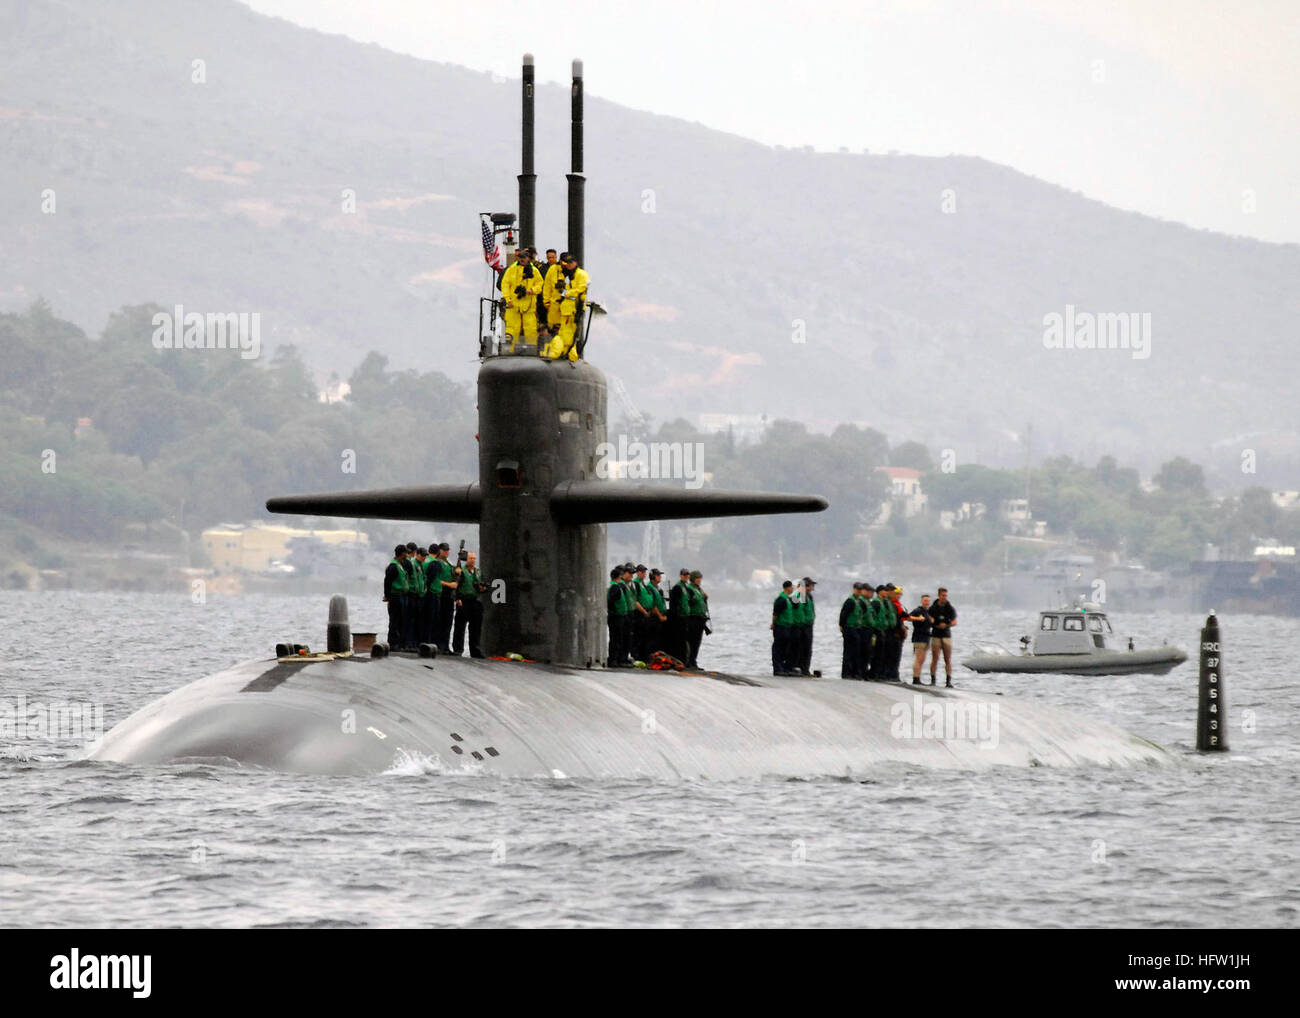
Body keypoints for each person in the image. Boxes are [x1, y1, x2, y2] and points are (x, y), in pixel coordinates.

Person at [546, 252, 589, 362]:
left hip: (574, 311)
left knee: (569, 337)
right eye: (567, 263)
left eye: (571, 262)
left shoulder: (582, 275)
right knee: (564, 336)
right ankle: (565, 355)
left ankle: (563, 355)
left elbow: (580, 290)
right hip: (565, 310)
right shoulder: (568, 276)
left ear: (576, 263)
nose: (569, 265)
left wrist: (566, 293)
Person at [499, 247, 543, 351]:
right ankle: (511, 351)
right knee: (512, 329)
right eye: (521, 258)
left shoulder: (535, 271)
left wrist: (531, 290)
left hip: (528, 307)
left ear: (528, 258)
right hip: (514, 305)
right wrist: (508, 299)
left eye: (524, 258)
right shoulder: (511, 270)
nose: (522, 260)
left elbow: (540, 285)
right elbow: (505, 284)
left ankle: (531, 350)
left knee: (530, 330)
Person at [452, 552, 485, 658]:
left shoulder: (478, 572)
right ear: (466, 559)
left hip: (475, 601)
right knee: (460, 627)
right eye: (471, 558)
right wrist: (457, 598)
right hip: (463, 601)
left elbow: (483, 586)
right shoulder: (460, 571)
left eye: (474, 558)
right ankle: (458, 649)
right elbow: (455, 585)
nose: (473, 560)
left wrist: (482, 589)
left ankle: (475, 650)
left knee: (476, 628)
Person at [929, 587, 958, 686]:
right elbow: (930, 619)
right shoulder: (933, 608)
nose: (944, 597)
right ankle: (933, 680)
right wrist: (935, 624)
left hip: (946, 635)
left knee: (948, 659)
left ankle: (948, 681)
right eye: (943, 595)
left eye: (946, 596)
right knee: (935, 658)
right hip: (936, 634)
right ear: (938, 595)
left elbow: (954, 622)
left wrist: (946, 625)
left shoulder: (950, 608)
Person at [434, 543, 461, 652]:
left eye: (448, 550)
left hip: (449, 596)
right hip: (442, 595)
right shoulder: (437, 563)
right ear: (439, 551)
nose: (446, 552)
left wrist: (457, 571)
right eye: (444, 550)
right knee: (440, 621)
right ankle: (438, 645)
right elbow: (436, 580)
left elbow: (454, 575)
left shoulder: (448, 564)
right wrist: (450, 585)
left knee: (448, 622)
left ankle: (445, 645)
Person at [868, 584, 895, 679]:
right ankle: (873, 673)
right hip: (876, 631)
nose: (887, 592)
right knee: (875, 653)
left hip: (882, 630)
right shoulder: (876, 603)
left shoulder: (884, 602)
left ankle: (878, 673)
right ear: (880, 592)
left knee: (881, 654)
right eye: (885, 590)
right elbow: (871, 616)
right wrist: (875, 626)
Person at [905, 594, 934, 684]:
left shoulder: (928, 612)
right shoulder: (918, 610)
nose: (927, 602)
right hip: (919, 636)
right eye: (925, 601)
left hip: (927, 637)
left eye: (928, 601)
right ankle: (915, 678)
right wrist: (918, 618)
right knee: (918, 658)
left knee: (922, 659)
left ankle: (918, 677)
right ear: (922, 601)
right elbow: (908, 617)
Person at [631, 564, 655, 662]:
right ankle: (636, 656)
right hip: (640, 613)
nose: (644, 573)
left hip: (646, 613)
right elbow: (635, 600)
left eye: (645, 572)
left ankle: (643, 656)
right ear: (637, 572)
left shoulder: (643, 584)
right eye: (642, 572)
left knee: (644, 636)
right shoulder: (636, 583)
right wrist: (644, 611)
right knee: (637, 636)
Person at [684, 569, 708, 669]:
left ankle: (694, 661)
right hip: (693, 618)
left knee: (697, 642)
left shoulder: (699, 589)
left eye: (700, 578)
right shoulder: (689, 588)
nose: (699, 580)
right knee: (692, 641)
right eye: (697, 578)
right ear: (693, 579)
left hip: (701, 618)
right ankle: (689, 661)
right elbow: (688, 602)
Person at [772, 580, 796, 676]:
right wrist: (773, 623)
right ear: (787, 588)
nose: (792, 589)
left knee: (785, 648)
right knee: (778, 648)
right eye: (791, 587)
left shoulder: (787, 599)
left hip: (787, 627)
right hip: (781, 627)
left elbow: (797, 603)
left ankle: (783, 668)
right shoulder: (781, 599)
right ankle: (778, 669)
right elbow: (776, 613)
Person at [667, 567, 691, 663]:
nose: (686, 576)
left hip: (685, 616)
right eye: (684, 575)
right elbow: (673, 604)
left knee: (684, 640)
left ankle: (685, 659)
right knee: (679, 640)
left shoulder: (686, 587)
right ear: (681, 576)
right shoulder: (678, 587)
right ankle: (680, 659)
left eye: (687, 575)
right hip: (679, 617)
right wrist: (676, 616)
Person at [838, 582, 859, 679]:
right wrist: (842, 625)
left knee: (854, 651)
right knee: (848, 652)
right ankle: (846, 673)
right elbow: (843, 614)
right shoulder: (850, 601)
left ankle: (852, 672)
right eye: (857, 589)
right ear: (854, 589)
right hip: (848, 628)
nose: (859, 591)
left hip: (854, 628)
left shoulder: (857, 601)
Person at [645, 568, 668, 656]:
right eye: (658, 575)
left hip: (660, 616)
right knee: (652, 639)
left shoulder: (658, 588)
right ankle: (650, 657)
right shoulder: (649, 588)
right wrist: (660, 616)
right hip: (654, 618)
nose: (660, 577)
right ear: (653, 576)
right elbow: (652, 604)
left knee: (658, 639)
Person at [539, 248, 561, 340]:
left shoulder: (560, 269)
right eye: (549, 258)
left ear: (556, 257)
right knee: (546, 323)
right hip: (545, 302)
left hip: (557, 302)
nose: (551, 259)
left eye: (552, 257)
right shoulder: (542, 269)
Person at [887, 583, 906, 680]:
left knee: (896, 655)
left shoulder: (899, 605)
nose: (898, 596)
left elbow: (903, 616)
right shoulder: (891, 604)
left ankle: (894, 674)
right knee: (891, 655)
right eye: (896, 594)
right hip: (893, 633)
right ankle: (891, 674)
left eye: (899, 594)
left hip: (899, 633)